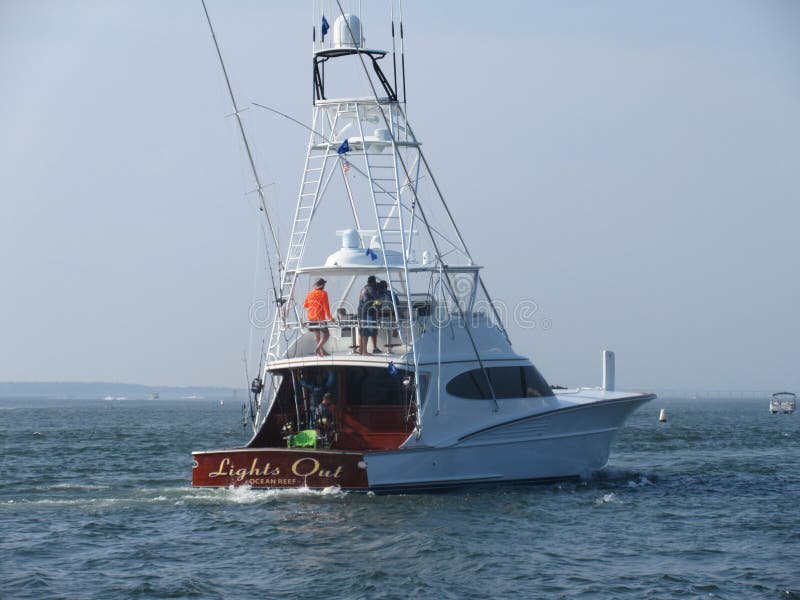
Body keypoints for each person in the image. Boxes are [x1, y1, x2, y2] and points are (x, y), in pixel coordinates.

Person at [303, 278, 332, 356]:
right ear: (322, 286)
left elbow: (305, 305)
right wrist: (330, 318)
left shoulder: (310, 293)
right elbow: (326, 307)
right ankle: (317, 348)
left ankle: (322, 352)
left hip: (311, 318)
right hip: (319, 318)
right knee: (326, 335)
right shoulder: (324, 293)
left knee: (318, 336)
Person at [358, 275, 381, 355]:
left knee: (361, 332)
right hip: (366, 312)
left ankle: (361, 350)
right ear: (373, 282)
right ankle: (364, 351)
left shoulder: (363, 288)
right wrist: (378, 305)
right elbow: (377, 300)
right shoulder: (370, 288)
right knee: (366, 332)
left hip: (360, 311)